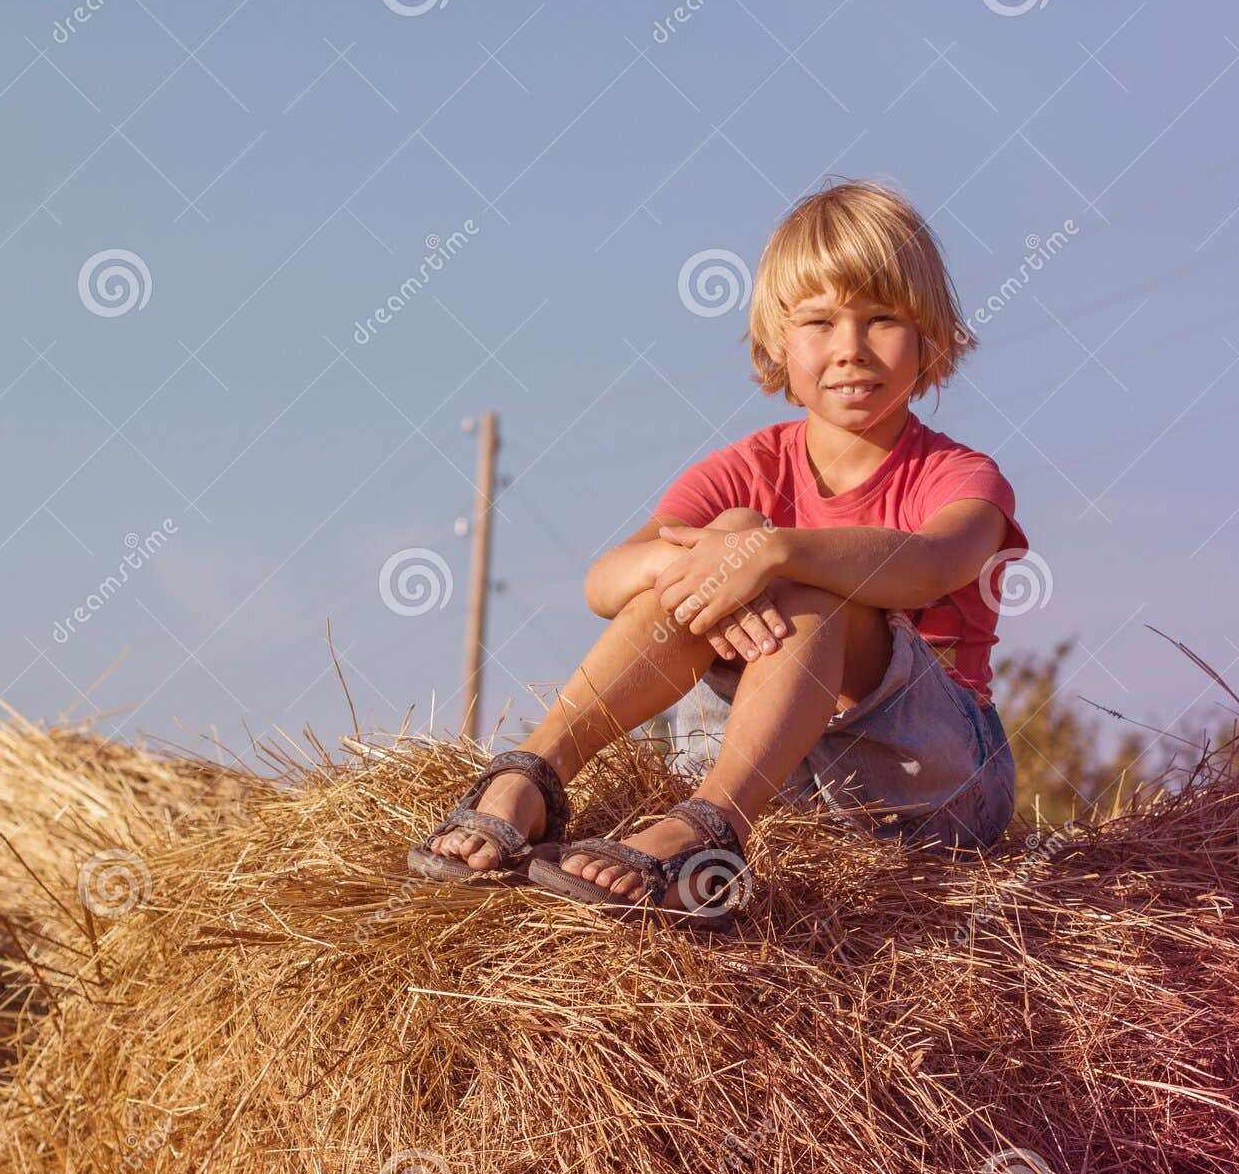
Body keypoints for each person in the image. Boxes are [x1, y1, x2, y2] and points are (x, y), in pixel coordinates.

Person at [408, 178, 1029, 928]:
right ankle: (536, 772)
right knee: (729, 533)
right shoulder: (745, 467)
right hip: (787, 775)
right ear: (776, 341)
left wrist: (774, 555)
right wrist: (725, 562)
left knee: (802, 577)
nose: (850, 348)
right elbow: (607, 582)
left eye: (883, 319)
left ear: (930, 332)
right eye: (820, 322)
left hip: (935, 787)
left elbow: (934, 564)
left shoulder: (961, 478)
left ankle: (712, 828)